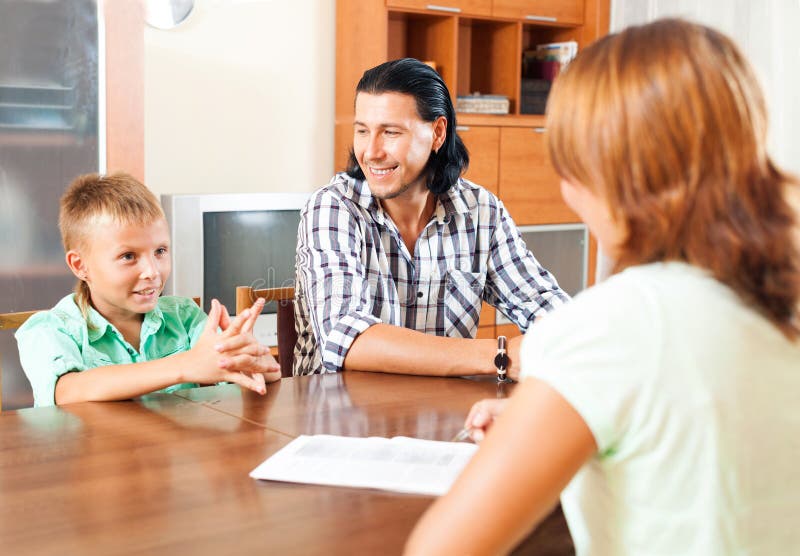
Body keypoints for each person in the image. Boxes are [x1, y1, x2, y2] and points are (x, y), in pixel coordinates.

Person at [405, 18, 800, 555]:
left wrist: (566, 381)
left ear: (603, 172)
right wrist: (562, 405)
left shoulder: (614, 325)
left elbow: (440, 550)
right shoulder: (775, 296)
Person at [294, 58, 570, 377]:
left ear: (437, 133)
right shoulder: (333, 208)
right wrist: (501, 355)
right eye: (362, 131)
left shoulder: (481, 211)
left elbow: (547, 306)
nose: (370, 151)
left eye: (391, 132)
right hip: (341, 416)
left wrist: (555, 334)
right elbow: (346, 339)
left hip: (446, 415)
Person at [16, 172, 281, 407]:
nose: (153, 271)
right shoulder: (49, 330)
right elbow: (69, 391)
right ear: (80, 265)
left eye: (160, 251)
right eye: (128, 256)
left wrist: (253, 363)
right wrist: (185, 365)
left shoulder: (185, 316)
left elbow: (230, 370)